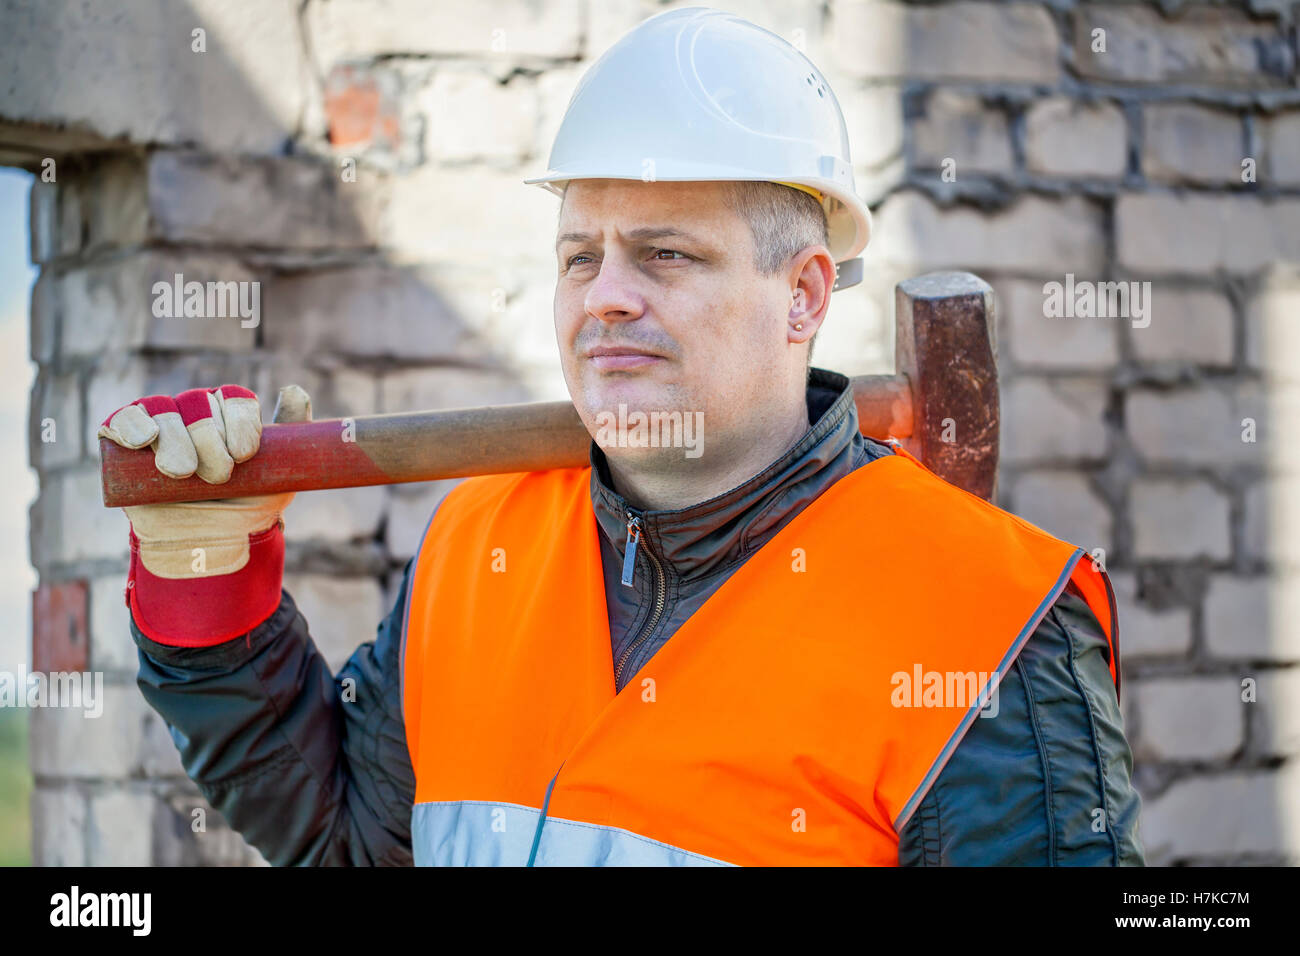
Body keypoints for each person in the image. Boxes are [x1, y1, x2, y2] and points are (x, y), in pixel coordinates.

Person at [99, 6, 1143, 866]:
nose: (605, 298)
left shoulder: (985, 623)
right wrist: (210, 589)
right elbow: (351, 841)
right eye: (578, 255)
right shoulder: (478, 543)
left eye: (665, 254)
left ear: (803, 294)